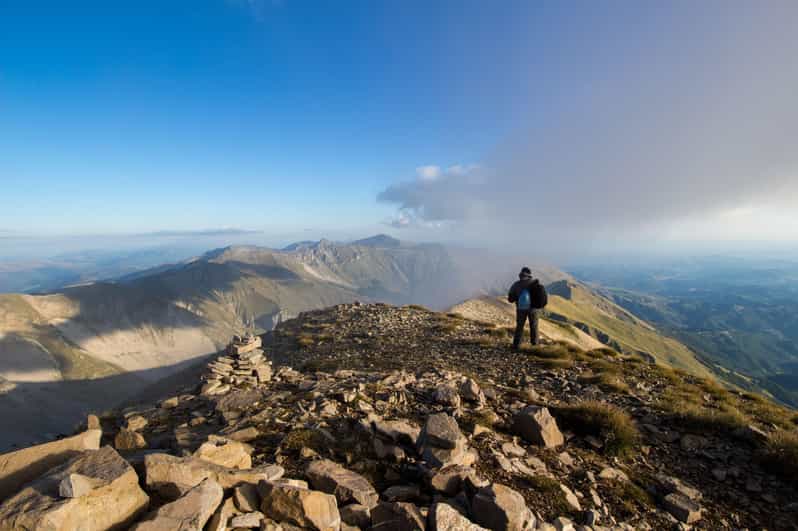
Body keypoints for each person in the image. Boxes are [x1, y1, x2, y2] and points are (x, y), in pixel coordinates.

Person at [507, 267, 548, 349]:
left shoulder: (516, 284)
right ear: (530, 275)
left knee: (519, 326)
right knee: (534, 326)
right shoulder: (535, 283)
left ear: (520, 274)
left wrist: (517, 297)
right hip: (534, 309)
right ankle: (535, 346)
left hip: (521, 309)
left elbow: (511, 299)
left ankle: (516, 345)